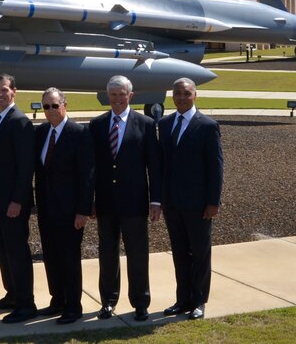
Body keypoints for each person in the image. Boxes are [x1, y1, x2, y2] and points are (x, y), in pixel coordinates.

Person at [89, 75, 162, 322]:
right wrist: (90, 199)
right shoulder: (96, 125)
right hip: (106, 203)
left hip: (135, 202)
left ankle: (140, 302)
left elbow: (154, 166)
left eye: (122, 94)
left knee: (137, 254)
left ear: (131, 96)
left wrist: (156, 200)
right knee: (107, 254)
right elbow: (92, 168)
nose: (118, 99)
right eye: (113, 95)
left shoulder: (146, 124)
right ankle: (108, 301)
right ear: (107, 96)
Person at [159, 77, 224, 321]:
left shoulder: (207, 125)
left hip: (199, 204)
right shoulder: (165, 124)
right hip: (172, 203)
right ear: (172, 96)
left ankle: (199, 301)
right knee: (179, 253)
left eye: (186, 93)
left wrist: (213, 201)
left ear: (195, 95)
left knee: (200, 253)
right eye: (177, 93)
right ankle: (182, 299)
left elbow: (216, 167)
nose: (182, 98)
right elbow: (163, 164)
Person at [34, 87, 94, 325]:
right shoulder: (41, 133)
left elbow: (87, 176)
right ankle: (57, 299)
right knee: (51, 256)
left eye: (54, 105)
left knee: (69, 258)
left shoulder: (79, 133)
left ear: (65, 105)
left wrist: (83, 210)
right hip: (46, 209)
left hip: (70, 212)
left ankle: (73, 306)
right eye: (45, 106)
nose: (50, 111)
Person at [0, 73, 37, 324]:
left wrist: (18, 199)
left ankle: (26, 303)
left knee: (17, 252)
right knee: (4, 251)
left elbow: (26, 166)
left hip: (13, 203)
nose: (0, 94)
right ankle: (13, 294)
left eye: (4, 90)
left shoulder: (19, 121)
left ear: (14, 91)